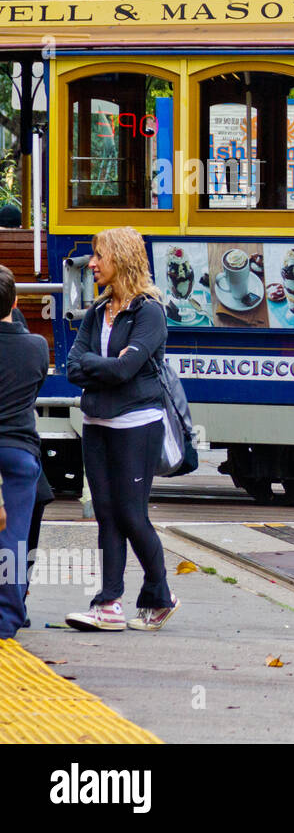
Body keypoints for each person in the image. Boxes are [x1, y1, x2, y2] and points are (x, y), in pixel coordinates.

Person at [65, 227, 178, 631]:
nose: (91, 263)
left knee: (131, 514)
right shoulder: (97, 312)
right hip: (96, 423)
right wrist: (105, 369)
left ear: (122, 259)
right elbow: (72, 365)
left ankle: (159, 595)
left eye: (98, 256)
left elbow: (126, 369)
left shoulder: (149, 312)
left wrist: (100, 367)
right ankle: (109, 604)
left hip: (136, 424)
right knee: (107, 515)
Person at [0, 266, 50, 639]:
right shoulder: (36, 347)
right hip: (19, 451)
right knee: (13, 537)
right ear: (16, 303)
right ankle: (8, 618)